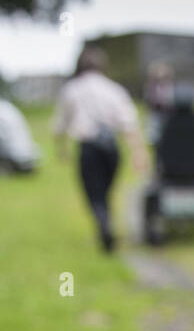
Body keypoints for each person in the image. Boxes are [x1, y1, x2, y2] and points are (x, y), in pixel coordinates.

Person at [52, 46, 148, 252]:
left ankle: (104, 227)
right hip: (111, 148)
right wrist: (138, 152)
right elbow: (129, 123)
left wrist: (61, 149)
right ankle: (107, 225)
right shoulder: (114, 89)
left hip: (89, 148)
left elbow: (60, 124)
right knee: (106, 192)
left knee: (94, 194)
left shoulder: (72, 89)